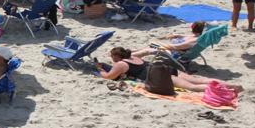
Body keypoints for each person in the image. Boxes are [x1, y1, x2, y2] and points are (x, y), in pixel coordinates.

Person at [97, 47, 244, 94]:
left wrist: (100, 70)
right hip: (167, 68)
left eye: (112, 56)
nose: (111, 59)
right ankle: (231, 85)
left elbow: (109, 77)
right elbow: (146, 51)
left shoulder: (121, 65)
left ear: (117, 56)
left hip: (159, 76)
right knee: (199, 79)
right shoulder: (132, 56)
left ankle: (227, 91)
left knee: (192, 87)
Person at [138, 21, 208, 58]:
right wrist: (177, 35)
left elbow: (174, 47)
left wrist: (158, 43)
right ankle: (133, 52)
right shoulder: (198, 37)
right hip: (173, 49)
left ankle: (131, 56)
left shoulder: (193, 41)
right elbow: (188, 37)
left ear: (192, 28)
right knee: (150, 46)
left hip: (173, 53)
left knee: (148, 49)